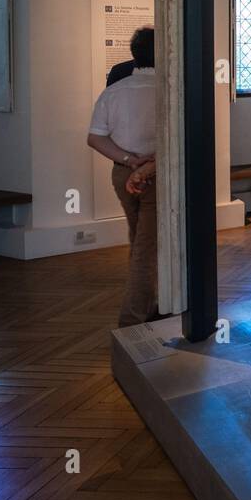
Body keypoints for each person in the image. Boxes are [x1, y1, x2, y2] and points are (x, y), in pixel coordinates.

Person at [86, 26, 160, 327]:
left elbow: (95, 138)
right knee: (147, 247)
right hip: (156, 177)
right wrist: (147, 166)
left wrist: (130, 161)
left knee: (139, 239)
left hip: (124, 175)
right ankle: (133, 319)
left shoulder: (114, 92)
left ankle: (154, 302)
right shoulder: (169, 92)